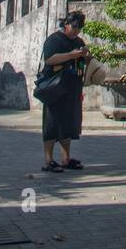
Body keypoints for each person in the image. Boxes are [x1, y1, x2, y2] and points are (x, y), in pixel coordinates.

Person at [40, 11, 89, 171]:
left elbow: (80, 65)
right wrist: (70, 55)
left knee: (68, 124)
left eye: (79, 28)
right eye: (74, 27)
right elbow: (49, 59)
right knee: (52, 124)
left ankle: (66, 158)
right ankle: (48, 160)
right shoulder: (54, 40)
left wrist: (84, 58)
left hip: (72, 87)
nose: (76, 31)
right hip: (54, 88)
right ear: (66, 24)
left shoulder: (79, 41)